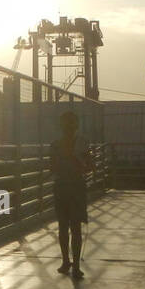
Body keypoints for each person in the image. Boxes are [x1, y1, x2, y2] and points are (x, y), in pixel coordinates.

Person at [51, 111, 88, 278]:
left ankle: (68, 262)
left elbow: (51, 168)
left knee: (66, 227)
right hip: (74, 187)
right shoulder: (81, 143)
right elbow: (89, 166)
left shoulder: (56, 145)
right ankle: (73, 265)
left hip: (65, 187)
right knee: (73, 227)